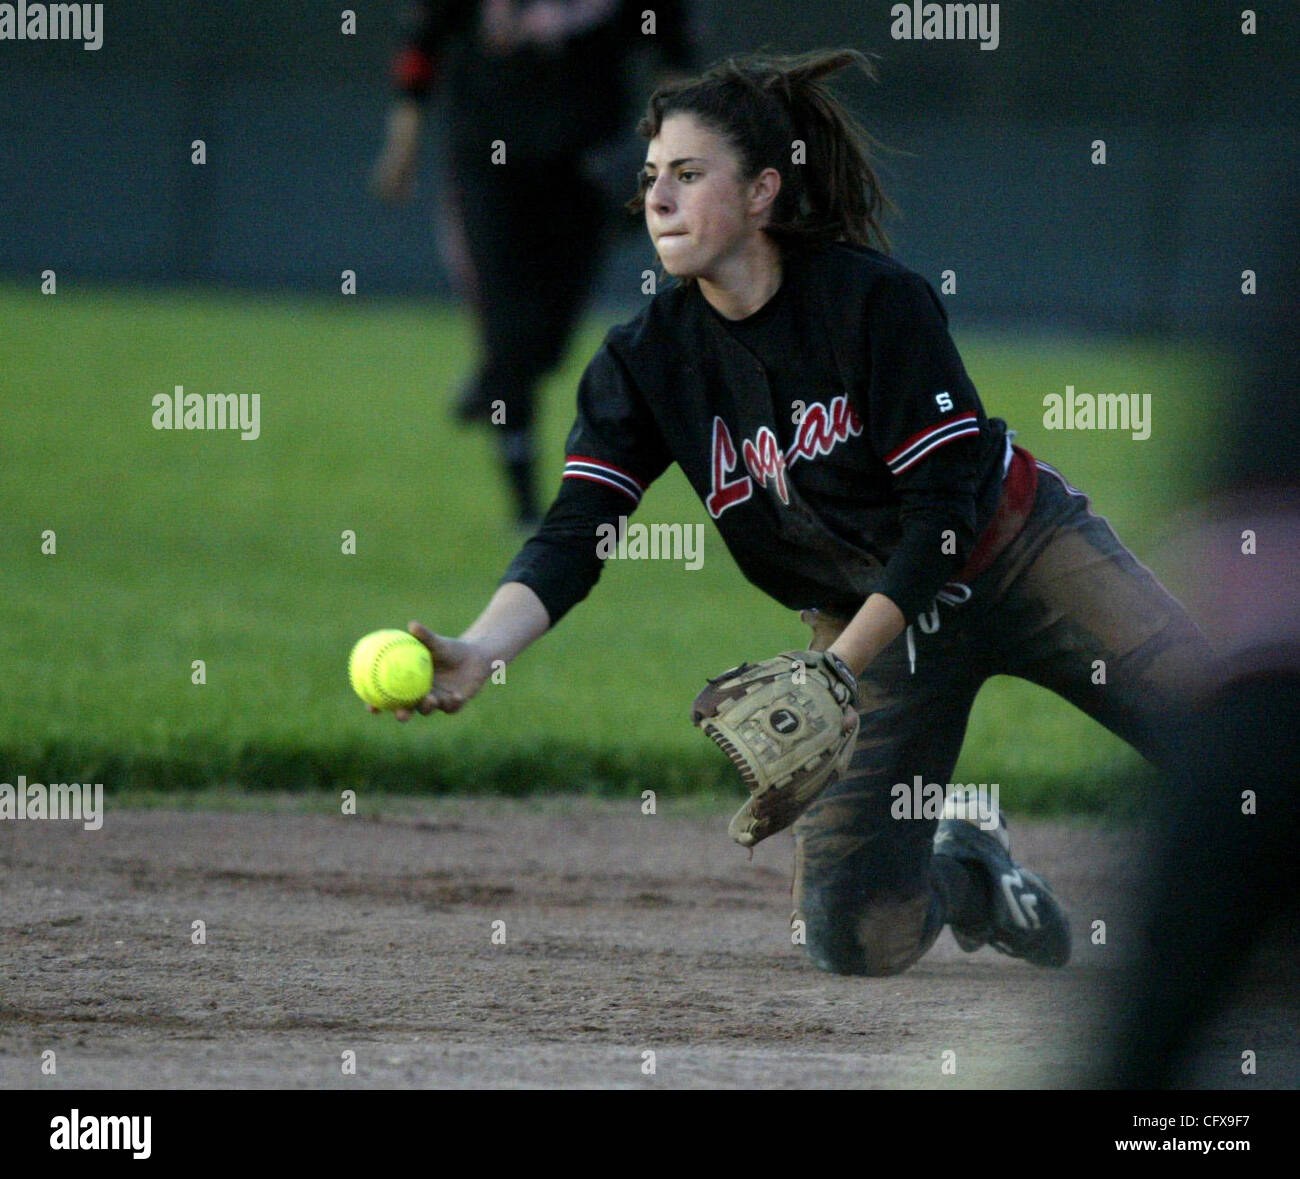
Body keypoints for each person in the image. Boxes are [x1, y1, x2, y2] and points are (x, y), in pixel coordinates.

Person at [369, 49, 1216, 977]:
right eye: (653, 176)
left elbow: (943, 515)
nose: (657, 199)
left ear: (764, 191)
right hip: (870, 626)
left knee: (1230, 736)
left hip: (1020, 556)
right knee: (856, 938)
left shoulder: (872, 302)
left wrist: (836, 673)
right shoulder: (645, 363)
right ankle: (972, 872)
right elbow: (577, 533)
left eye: (689, 175)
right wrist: (483, 649)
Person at [372, 0, 699, 529]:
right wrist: (403, 140)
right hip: (487, 165)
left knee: (545, 345)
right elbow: (422, 45)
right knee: (507, 328)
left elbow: (676, 57)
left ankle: (493, 376)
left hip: (583, 170)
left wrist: (672, 152)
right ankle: (524, 507)